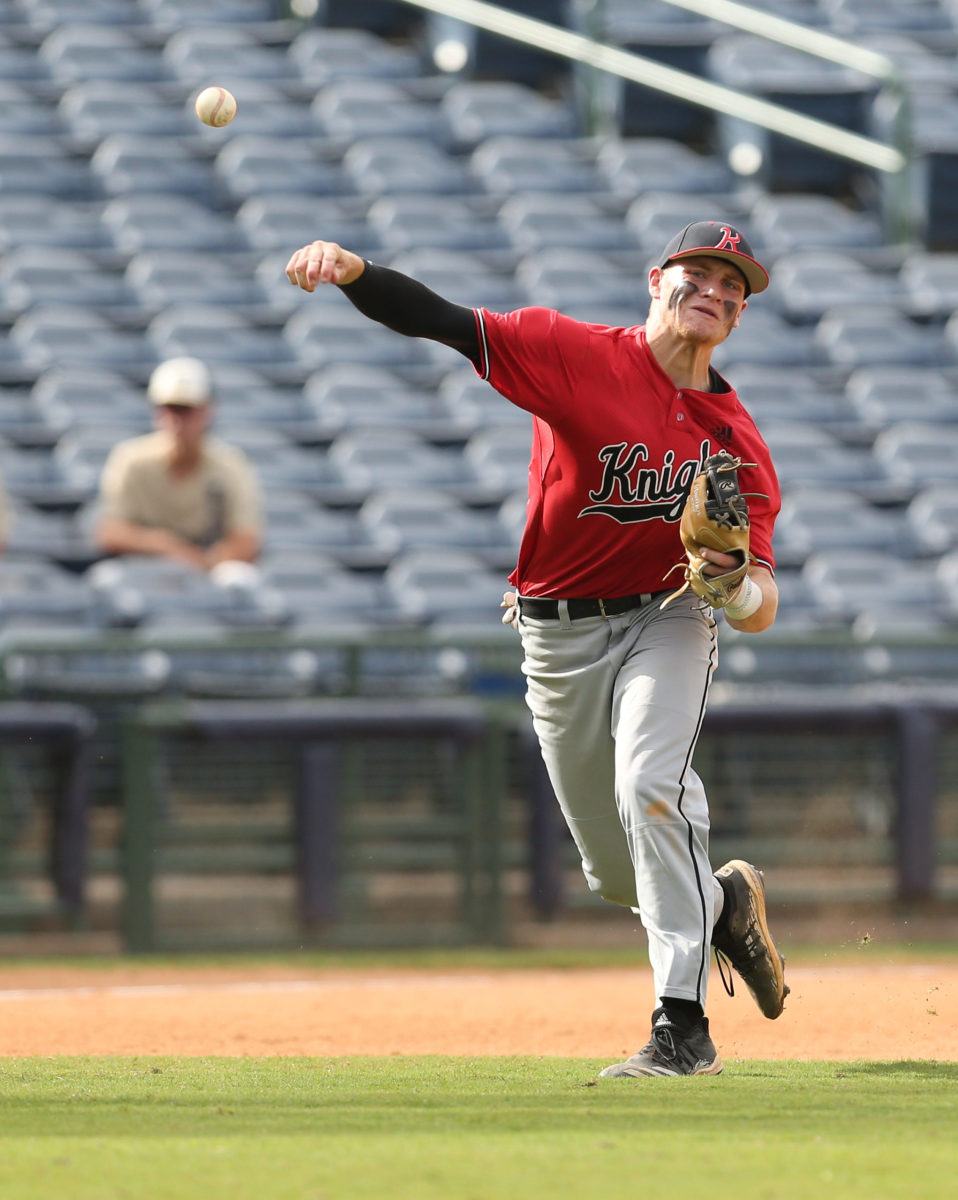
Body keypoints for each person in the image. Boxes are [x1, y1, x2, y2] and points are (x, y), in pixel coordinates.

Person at [284, 221, 788, 1078]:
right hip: (556, 634)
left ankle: (682, 1032)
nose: (715, 288)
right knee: (619, 876)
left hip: (667, 619)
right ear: (655, 280)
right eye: (697, 271)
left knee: (651, 791)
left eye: (732, 284)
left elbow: (762, 607)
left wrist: (731, 585)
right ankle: (723, 901)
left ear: (739, 315)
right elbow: (445, 322)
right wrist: (356, 272)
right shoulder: (572, 353)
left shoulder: (733, 438)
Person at [95, 356, 263, 571]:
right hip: (145, 568)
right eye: (169, 408)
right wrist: (166, 546)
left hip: (208, 569)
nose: (176, 419)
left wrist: (207, 564)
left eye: (186, 409)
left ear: (206, 411)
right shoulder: (132, 460)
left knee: (237, 576)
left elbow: (246, 539)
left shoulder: (230, 464)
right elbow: (110, 532)